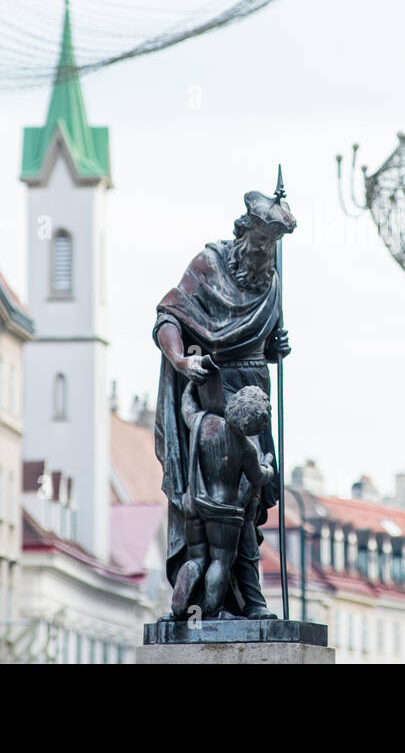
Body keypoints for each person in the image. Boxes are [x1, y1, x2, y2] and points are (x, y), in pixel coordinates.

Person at [154, 188, 296, 620]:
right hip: (217, 390)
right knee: (237, 494)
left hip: (256, 394)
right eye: (258, 243)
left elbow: (265, 341)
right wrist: (179, 358)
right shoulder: (208, 265)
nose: (262, 254)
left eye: (271, 247)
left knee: (251, 501)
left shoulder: (270, 279)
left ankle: (246, 601)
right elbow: (168, 315)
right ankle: (240, 603)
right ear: (242, 232)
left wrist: (277, 347)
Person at [170, 384, 276, 619]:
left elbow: (187, 408)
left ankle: (178, 605)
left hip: (195, 501)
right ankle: (211, 611)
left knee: (196, 557)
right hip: (224, 511)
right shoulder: (246, 448)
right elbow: (258, 477)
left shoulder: (206, 423)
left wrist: (188, 387)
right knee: (220, 561)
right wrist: (268, 466)